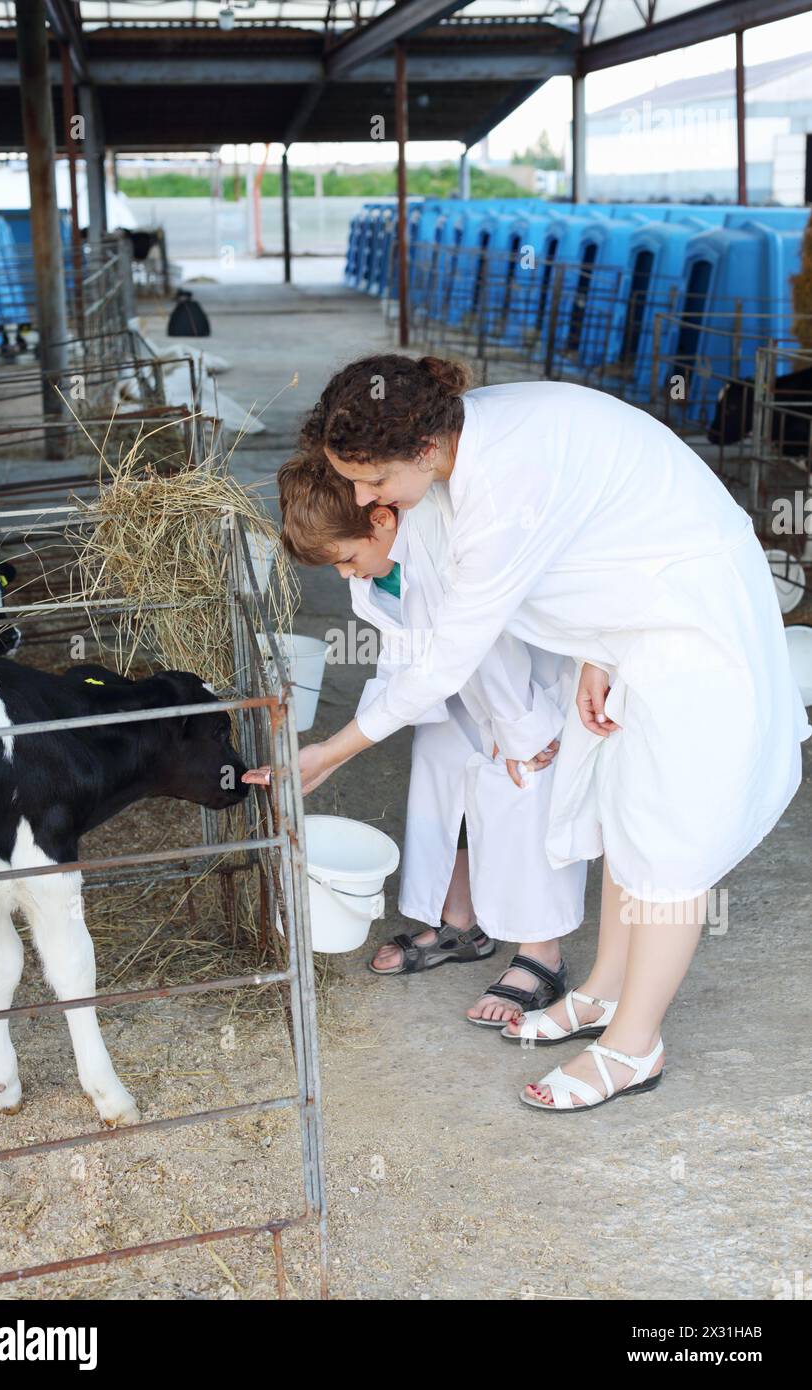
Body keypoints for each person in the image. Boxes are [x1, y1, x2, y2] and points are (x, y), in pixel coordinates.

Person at [246, 355, 809, 1113]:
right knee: (619, 802)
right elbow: (596, 531)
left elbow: (450, 653)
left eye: (371, 482)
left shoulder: (501, 483)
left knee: (669, 834)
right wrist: (597, 649)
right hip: (633, 612)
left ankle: (634, 1044)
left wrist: (334, 750)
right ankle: (605, 990)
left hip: (689, 612)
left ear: (420, 449)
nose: (363, 497)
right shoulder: (459, 450)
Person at [276, 453, 586, 1026]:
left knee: (521, 783)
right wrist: (337, 752)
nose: (345, 575)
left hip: (522, 679)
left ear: (381, 521)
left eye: (345, 559)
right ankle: (460, 924)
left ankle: (541, 952)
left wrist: (520, 729)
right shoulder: (382, 565)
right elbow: (401, 667)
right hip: (460, 683)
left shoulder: (443, 546)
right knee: (440, 765)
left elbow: (493, 650)